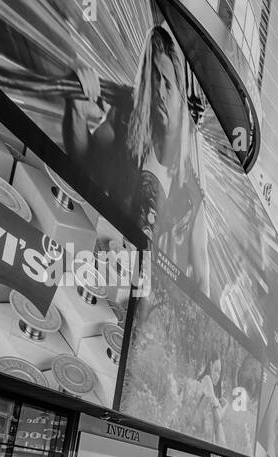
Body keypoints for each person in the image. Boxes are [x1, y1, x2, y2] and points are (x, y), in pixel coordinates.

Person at [64, 24, 209, 297]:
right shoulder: (125, 125)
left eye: (168, 84)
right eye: (154, 82)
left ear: (182, 97)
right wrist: (77, 109)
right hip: (93, 272)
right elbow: (84, 162)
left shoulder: (193, 196)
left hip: (143, 309)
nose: (161, 94)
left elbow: (203, 281)